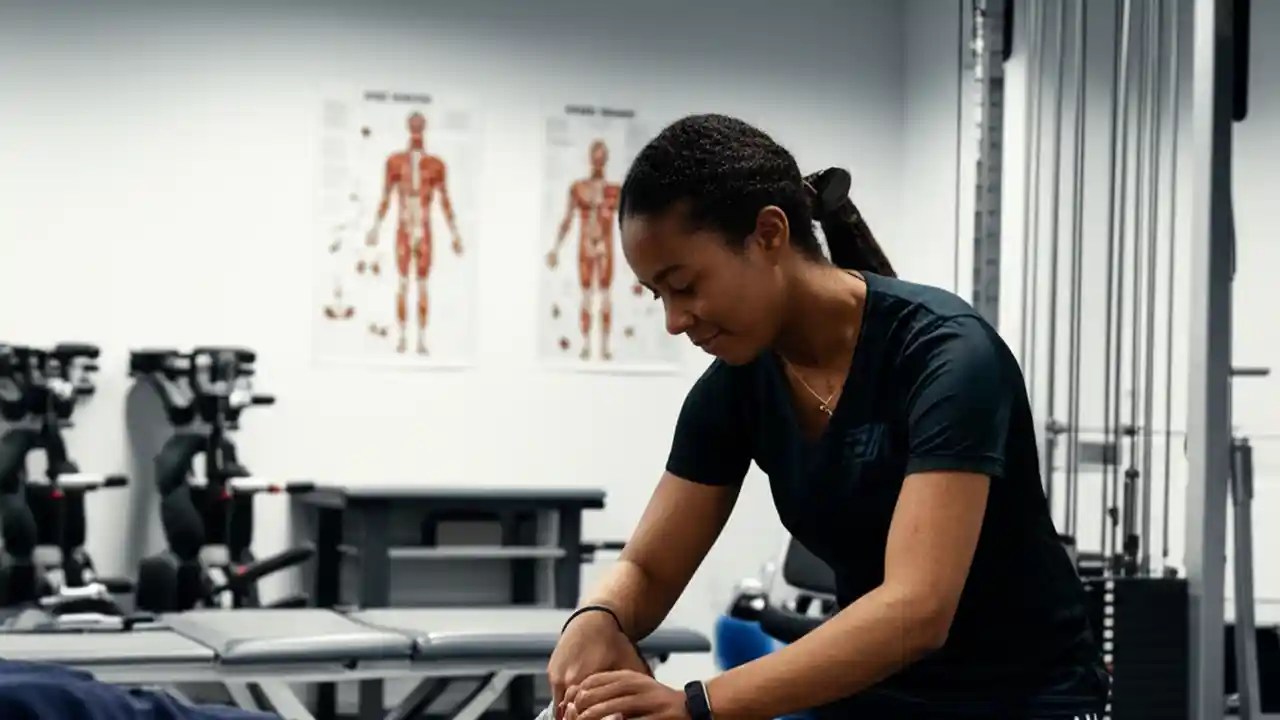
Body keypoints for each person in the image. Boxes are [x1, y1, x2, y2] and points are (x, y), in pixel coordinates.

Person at [547, 114, 1108, 720]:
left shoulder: (949, 357)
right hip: (874, 695)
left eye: (684, 285)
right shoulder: (738, 385)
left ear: (768, 234)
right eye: (659, 296)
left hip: (1023, 699)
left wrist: (698, 704)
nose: (674, 321)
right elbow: (647, 566)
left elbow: (916, 610)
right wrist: (598, 617)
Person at [546, 139, 623, 361]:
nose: (598, 162)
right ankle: (587, 344)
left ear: (605, 160)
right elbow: (567, 219)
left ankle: (606, 346)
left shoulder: (613, 191)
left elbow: (628, 222)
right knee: (588, 296)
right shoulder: (579, 188)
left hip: (605, 246)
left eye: (602, 158)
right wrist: (555, 249)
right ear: (591, 158)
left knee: (606, 295)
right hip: (587, 245)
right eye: (596, 157)